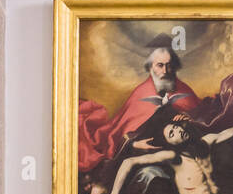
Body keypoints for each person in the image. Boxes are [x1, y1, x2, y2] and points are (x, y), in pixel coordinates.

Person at [77, 39, 202, 172]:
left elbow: (201, 118)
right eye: (160, 65)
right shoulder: (141, 93)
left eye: (169, 65)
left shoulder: (184, 91)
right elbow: (120, 132)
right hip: (145, 156)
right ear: (150, 67)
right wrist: (134, 144)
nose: (165, 70)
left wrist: (187, 118)